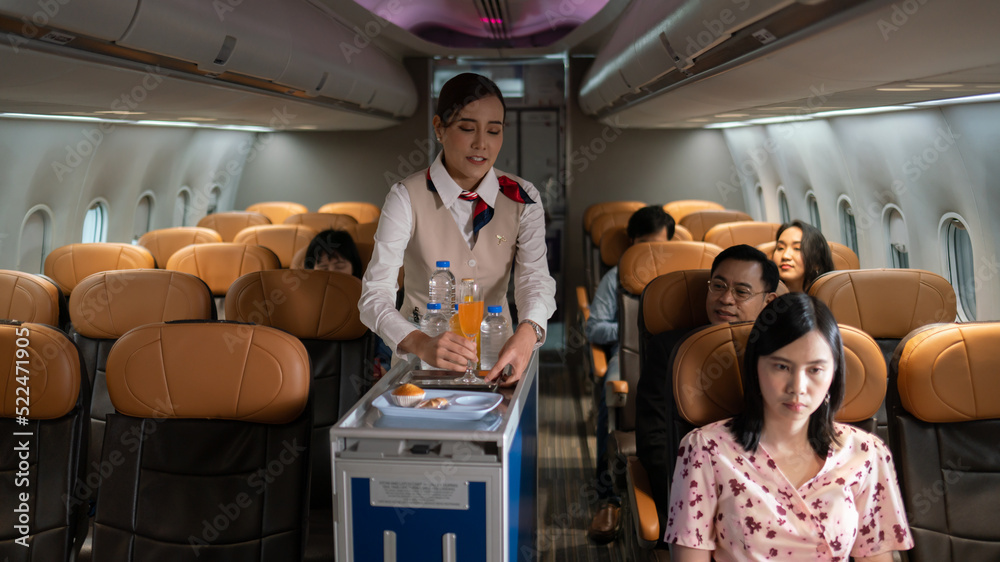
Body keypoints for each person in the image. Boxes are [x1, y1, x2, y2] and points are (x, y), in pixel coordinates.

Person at [664, 293, 913, 561]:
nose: (798, 387)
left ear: (834, 373)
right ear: (755, 367)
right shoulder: (705, 450)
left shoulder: (866, 453)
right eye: (782, 367)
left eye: (815, 370)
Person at [359, 73, 556, 386]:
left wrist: (528, 331)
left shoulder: (522, 197)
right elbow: (375, 294)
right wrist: (418, 341)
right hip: (419, 368)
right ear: (439, 128)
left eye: (494, 131)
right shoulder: (406, 197)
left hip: (498, 361)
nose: (481, 143)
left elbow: (534, 278)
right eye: (467, 128)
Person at [636, 244, 779, 535]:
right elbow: (655, 442)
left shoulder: (782, 355)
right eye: (718, 286)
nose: (725, 299)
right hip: (695, 498)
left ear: (768, 301)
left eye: (741, 291)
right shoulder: (670, 349)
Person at [586, 205, 674, 543]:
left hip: (672, 359)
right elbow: (594, 328)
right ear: (632, 242)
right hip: (628, 355)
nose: (652, 253)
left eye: (660, 245)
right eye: (645, 245)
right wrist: (631, 329)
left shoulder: (679, 281)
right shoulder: (617, 278)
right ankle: (607, 497)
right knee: (612, 394)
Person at [306, 229, 392, 378]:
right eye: (323, 267)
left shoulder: (372, 303)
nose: (331, 273)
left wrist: (380, 369)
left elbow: (385, 355)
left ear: (354, 267)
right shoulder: (300, 304)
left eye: (339, 267)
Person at [772, 220, 834, 293]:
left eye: (797, 248)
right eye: (780, 248)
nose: (785, 256)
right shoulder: (765, 298)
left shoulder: (830, 298)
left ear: (816, 262)